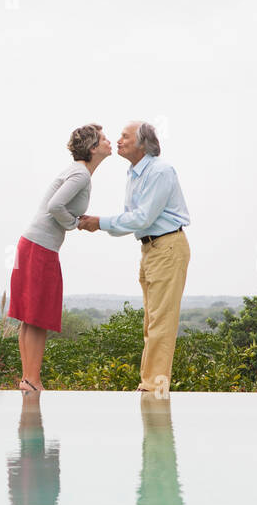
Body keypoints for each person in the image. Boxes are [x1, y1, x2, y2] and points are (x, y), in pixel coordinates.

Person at [78, 121, 190, 393]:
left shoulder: (160, 171)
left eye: (125, 137)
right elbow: (133, 222)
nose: (118, 141)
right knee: (151, 323)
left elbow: (142, 217)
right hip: (150, 249)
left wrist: (100, 222)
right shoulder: (133, 173)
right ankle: (149, 384)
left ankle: (153, 386)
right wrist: (99, 224)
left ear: (142, 143)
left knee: (161, 323)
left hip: (168, 247)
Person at [9, 124, 111, 393]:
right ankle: (33, 380)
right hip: (40, 248)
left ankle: (28, 379)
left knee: (31, 317)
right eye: (104, 139)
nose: (109, 142)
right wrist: (74, 223)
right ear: (92, 149)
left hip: (34, 245)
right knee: (38, 317)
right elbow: (55, 206)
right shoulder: (80, 175)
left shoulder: (78, 172)